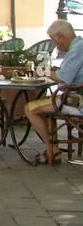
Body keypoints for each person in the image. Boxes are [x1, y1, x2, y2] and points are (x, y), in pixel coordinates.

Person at [25, 20, 83, 164]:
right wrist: (52, 71)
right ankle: (52, 148)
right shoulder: (78, 45)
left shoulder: (78, 48)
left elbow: (64, 77)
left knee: (29, 109)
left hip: (77, 101)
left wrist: (43, 72)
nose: (55, 44)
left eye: (54, 40)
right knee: (41, 106)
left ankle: (53, 150)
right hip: (75, 95)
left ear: (61, 36)